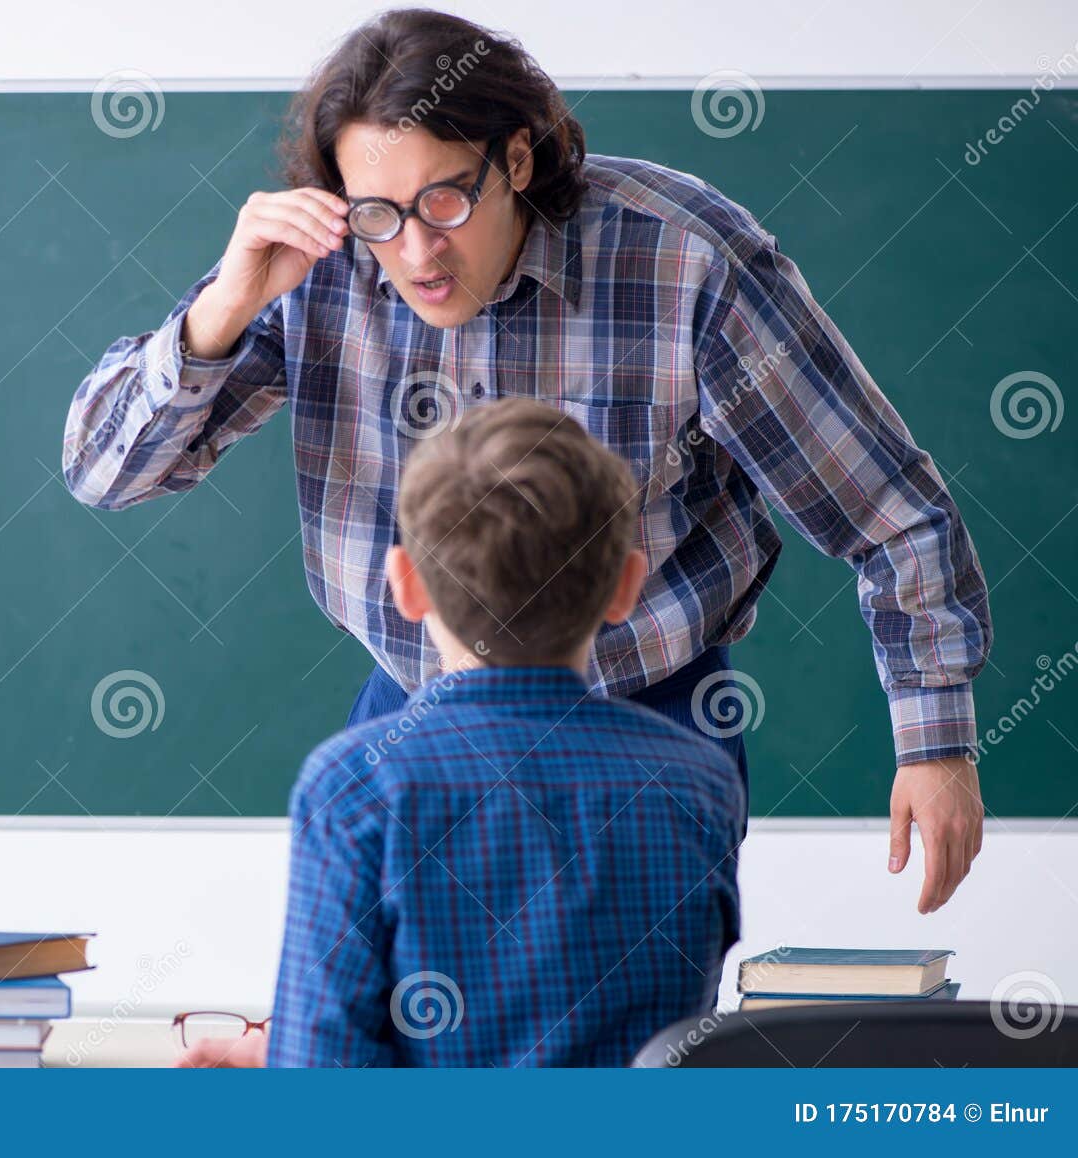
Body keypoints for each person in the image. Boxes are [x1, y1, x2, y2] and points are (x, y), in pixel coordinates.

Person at [64, 8, 990, 912]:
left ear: (514, 158)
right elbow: (105, 473)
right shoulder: (321, 262)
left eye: (445, 199)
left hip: (645, 717)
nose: (418, 252)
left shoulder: (681, 259)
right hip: (412, 713)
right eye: (380, 212)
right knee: (384, 1049)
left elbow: (887, 511)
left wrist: (935, 746)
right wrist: (221, 311)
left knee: (631, 1050)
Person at [178, 399, 745, 1067]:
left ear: (405, 587)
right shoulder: (699, 779)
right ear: (625, 587)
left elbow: (325, 1075)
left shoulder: (355, 785)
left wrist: (272, 1057)